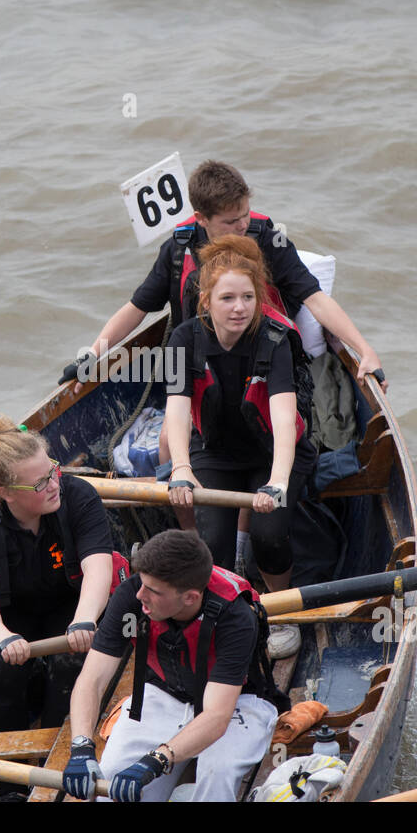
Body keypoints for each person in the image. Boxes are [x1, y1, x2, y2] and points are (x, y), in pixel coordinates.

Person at [65, 159, 385, 392]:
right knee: (167, 443)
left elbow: (315, 299)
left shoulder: (269, 242)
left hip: (262, 364)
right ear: (201, 218)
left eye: (245, 214)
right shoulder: (177, 252)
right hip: (197, 368)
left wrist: (364, 348)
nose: (242, 226)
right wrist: (94, 354)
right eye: (231, 221)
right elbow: (137, 308)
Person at [62, 530, 281, 803]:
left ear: (189, 597)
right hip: (163, 694)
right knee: (113, 784)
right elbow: (91, 680)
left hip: (237, 703)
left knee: (216, 776)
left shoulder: (234, 617)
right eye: (141, 584)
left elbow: (215, 717)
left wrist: (157, 759)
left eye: (153, 591)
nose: (141, 595)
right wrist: (81, 746)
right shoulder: (133, 596)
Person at [163, 238, 316, 593]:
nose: (239, 308)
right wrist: (181, 467)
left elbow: (282, 418)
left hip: (270, 454)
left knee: (270, 536)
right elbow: (177, 407)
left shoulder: (275, 340)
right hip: (215, 451)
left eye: (248, 297)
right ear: (207, 301)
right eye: (227, 298)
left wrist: (277, 480)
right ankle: (229, 603)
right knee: (213, 543)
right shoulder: (181, 340)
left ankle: (281, 607)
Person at [0, 415, 115, 733]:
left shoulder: (79, 496)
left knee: (75, 660)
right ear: (7, 493)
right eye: (41, 483)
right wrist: (3, 639)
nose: (55, 485)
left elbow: (98, 569)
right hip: (11, 615)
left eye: (53, 470)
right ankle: (7, 771)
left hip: (71, 603)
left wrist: (84, 620)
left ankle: (58, 750)